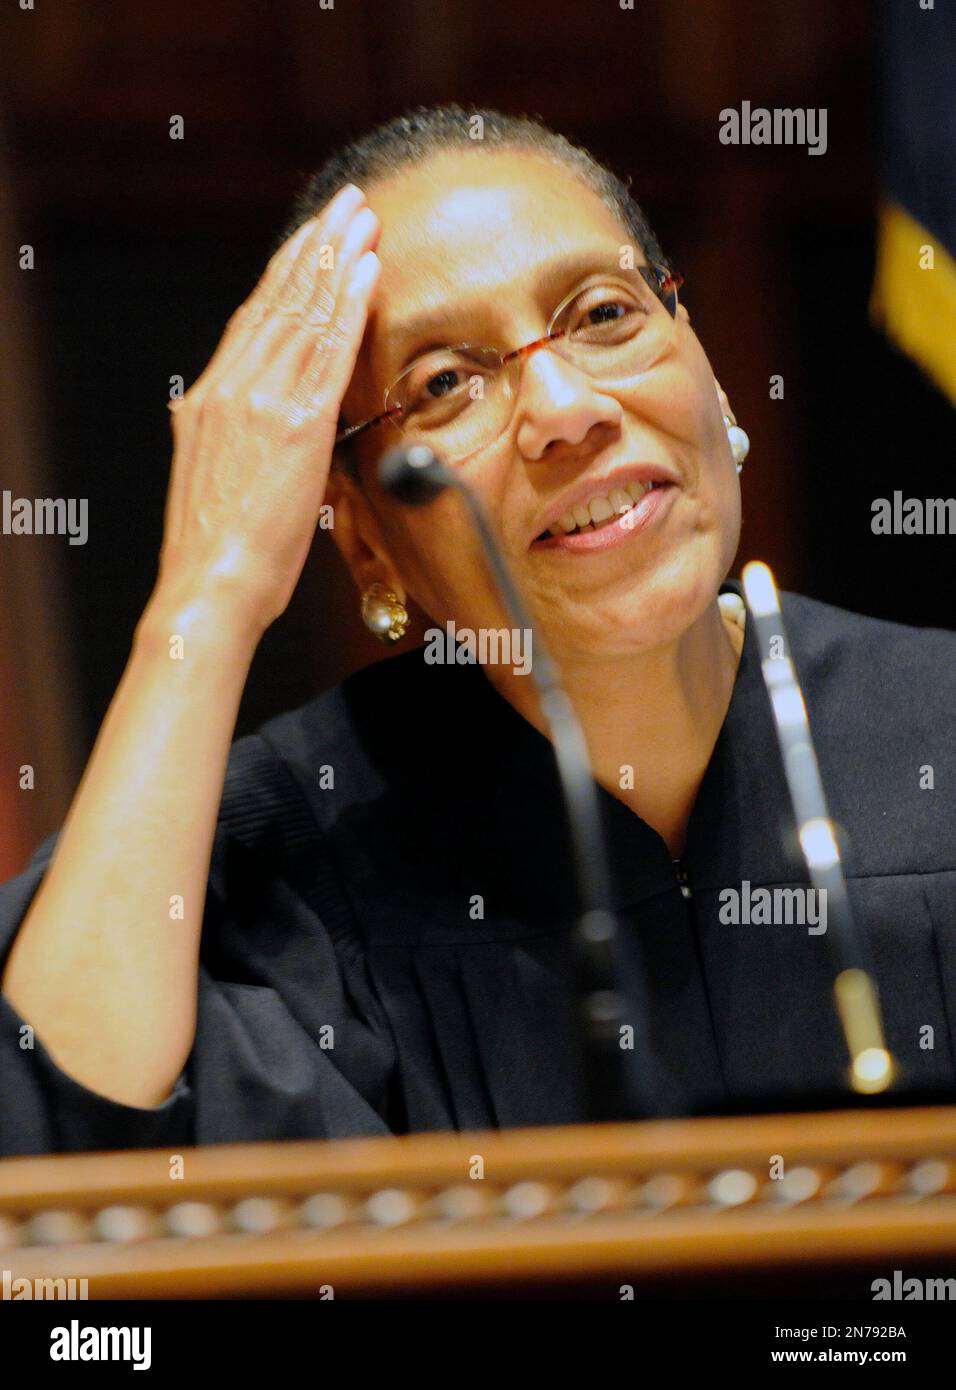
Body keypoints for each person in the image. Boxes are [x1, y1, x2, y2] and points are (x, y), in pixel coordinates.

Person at [2, 105, 955, 1158]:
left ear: (709, 371)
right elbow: (64, 1108)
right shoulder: (298, 860)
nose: (563, 406)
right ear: (366, 542)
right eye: (444, 383)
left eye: (602, 313)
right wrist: (207, 591)